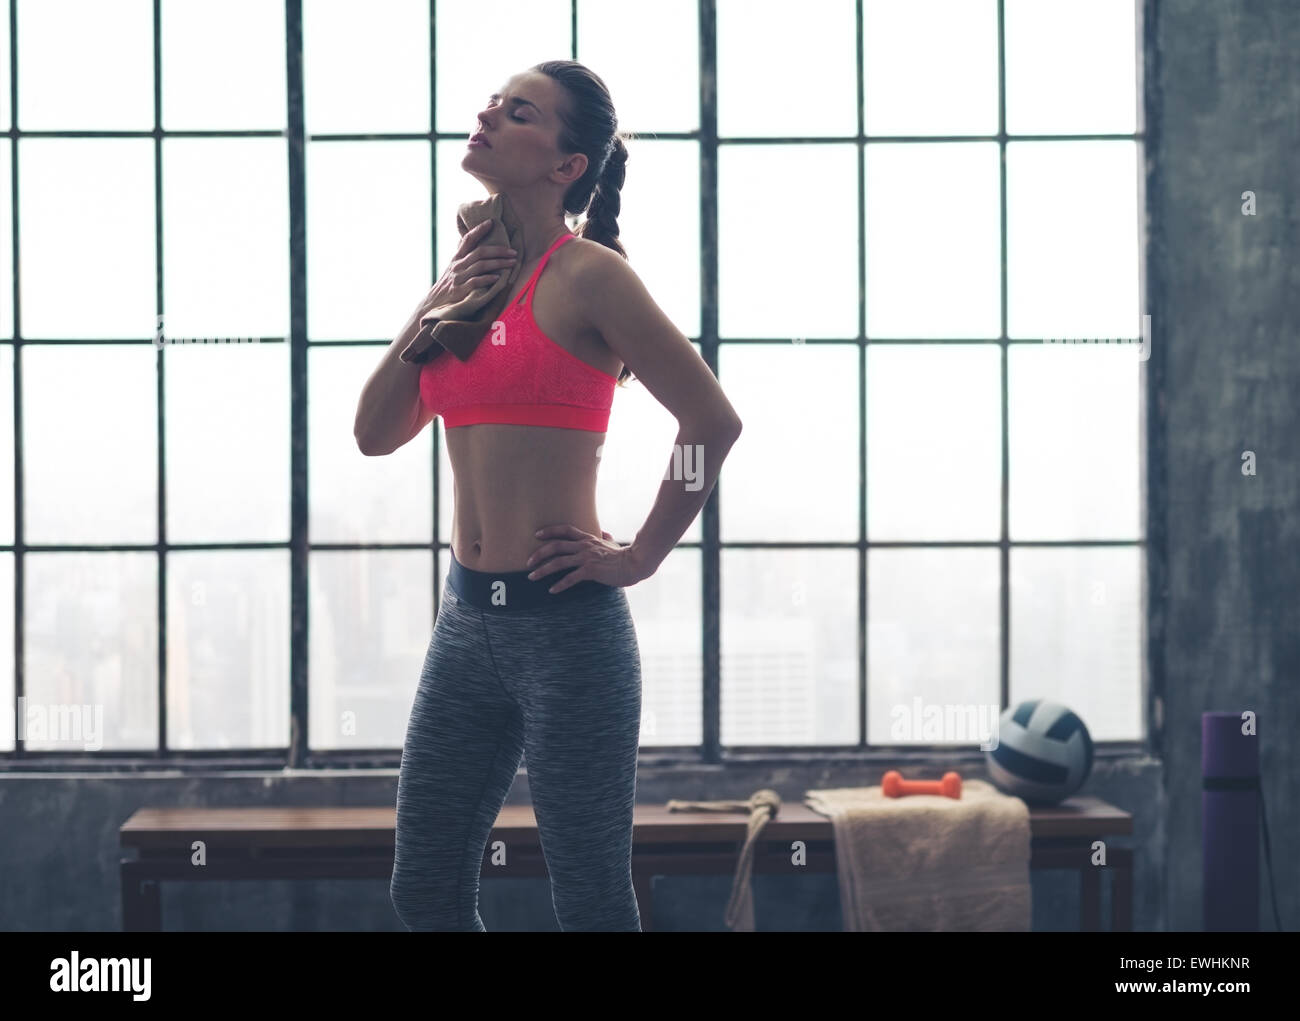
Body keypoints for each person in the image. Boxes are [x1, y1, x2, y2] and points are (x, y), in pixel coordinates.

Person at [354, 60, 743, 931]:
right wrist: (439, 295)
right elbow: (374, 431)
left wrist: (638, 555)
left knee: (592, 900)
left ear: (568, 166)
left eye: (519, 111)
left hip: (568, 632)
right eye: (494, 100)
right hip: (465, 629)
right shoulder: (469, 287)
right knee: (425, 889)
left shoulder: (592, 278)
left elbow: (711, 424)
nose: (489, 112)